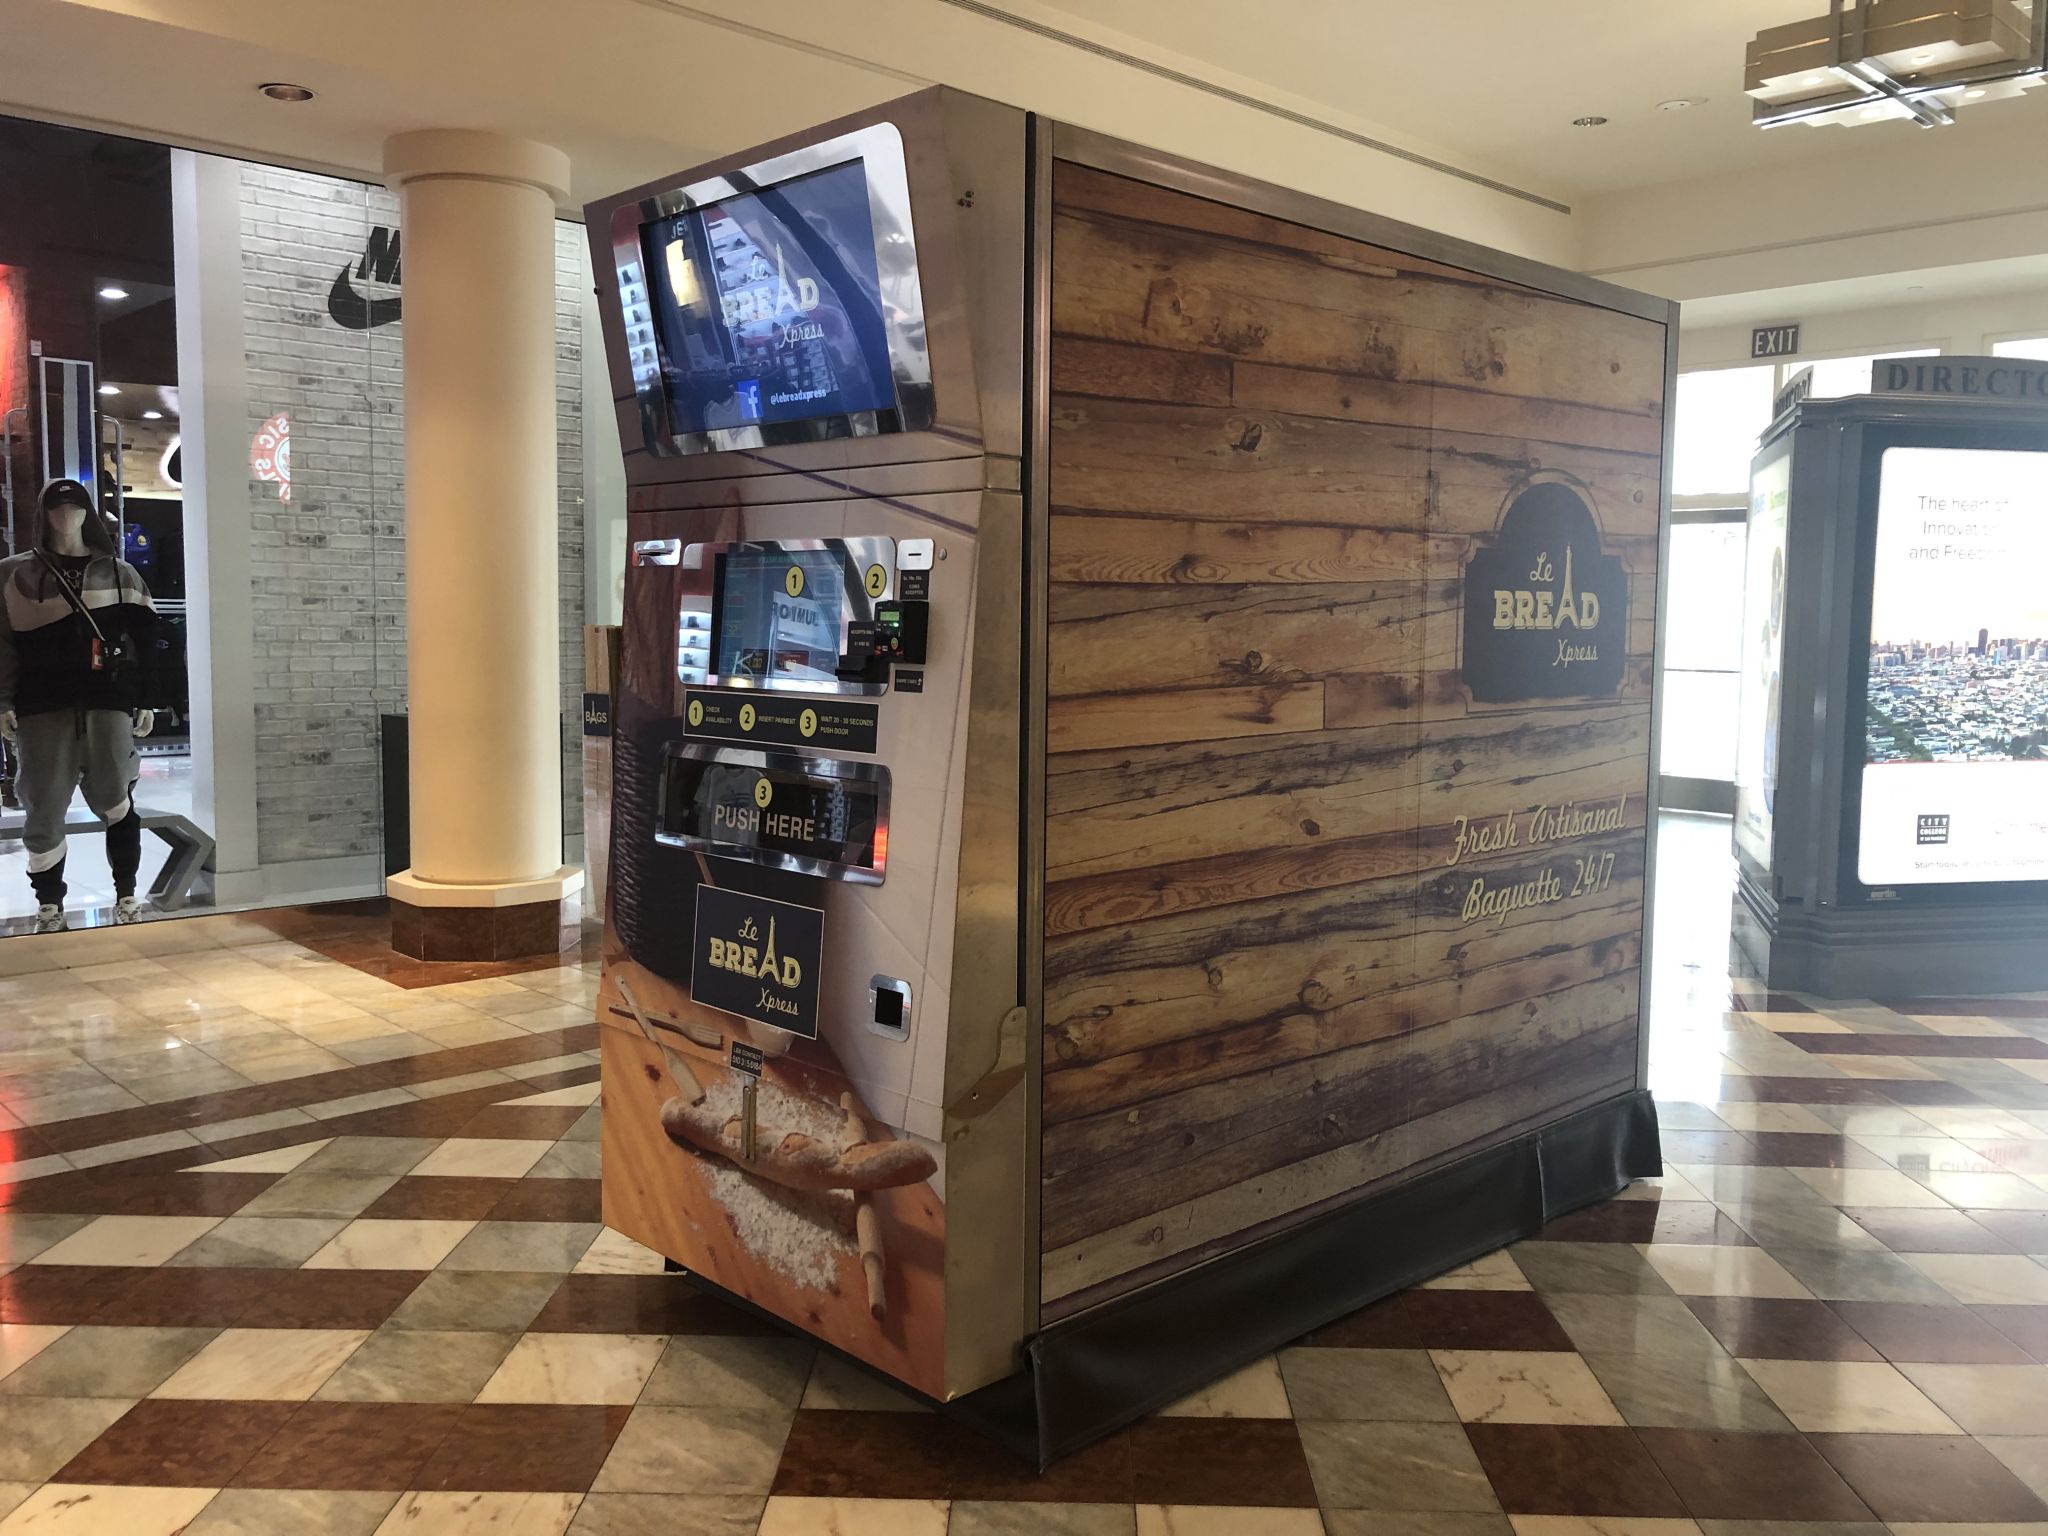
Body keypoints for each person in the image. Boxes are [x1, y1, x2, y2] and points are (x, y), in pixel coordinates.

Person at [0, 478, 159, 931]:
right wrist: (3, 699)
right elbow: (3, 646)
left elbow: (148, 643)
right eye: (56, 507)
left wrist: (147, 699)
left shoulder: (120, 573)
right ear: (43, 515)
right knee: (44, 805)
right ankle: (49, 904)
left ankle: (127, 894)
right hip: (41, 706)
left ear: (89, 513)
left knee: (116, 798)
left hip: (108, 702)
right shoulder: (12, 575)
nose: (66, 516)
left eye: (75, 507)